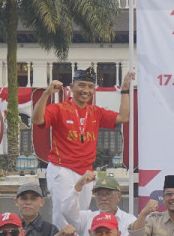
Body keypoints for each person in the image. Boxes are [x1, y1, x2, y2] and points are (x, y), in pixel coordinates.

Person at [32, 67, 133, 227]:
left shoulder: (95, 112)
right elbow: (37, 120)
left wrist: (125, 89)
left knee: (79, 219)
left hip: (85, 172)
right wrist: (47, 93)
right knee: (62, 218)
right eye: (82, 85)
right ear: (72, 87)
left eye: (90, 86)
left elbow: (123, 117)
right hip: (62, 168)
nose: (86, 90)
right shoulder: (59, 109)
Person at [61, 173, 136, 236]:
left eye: (108, 195)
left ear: (119, 197)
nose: (103, 198)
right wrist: (78, 186)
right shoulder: (87, 217)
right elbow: (66, 211)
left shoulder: (129, 220)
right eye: (99, 195)